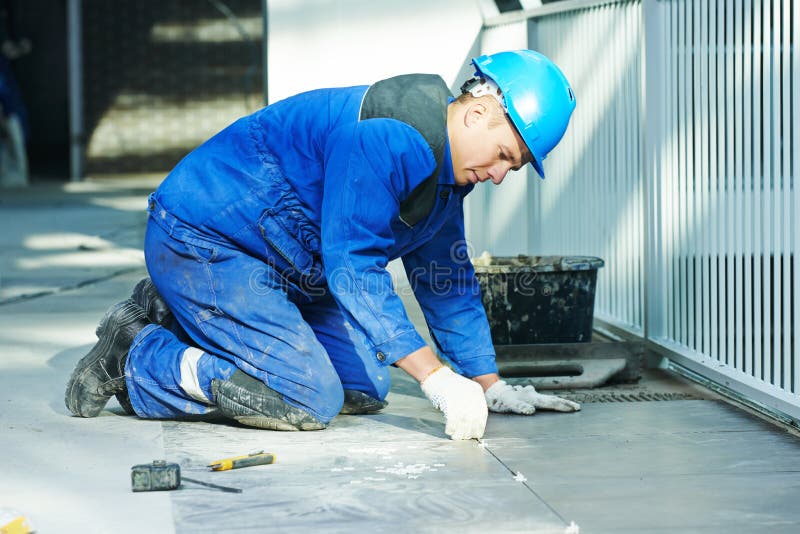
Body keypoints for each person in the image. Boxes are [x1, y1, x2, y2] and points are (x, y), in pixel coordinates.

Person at [65, 49, 580, 440]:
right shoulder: (388, 136)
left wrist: (490, 385)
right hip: (205, 242)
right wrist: (436, 378)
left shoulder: (449, 176)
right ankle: (139, 355)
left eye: (512, 168)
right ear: (477, 113)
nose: (499, 175)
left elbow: (447, 282)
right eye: (503, 155)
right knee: (307, 397)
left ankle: (172, 311)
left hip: (280, 268)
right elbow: (353, 265)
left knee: (366, 388)